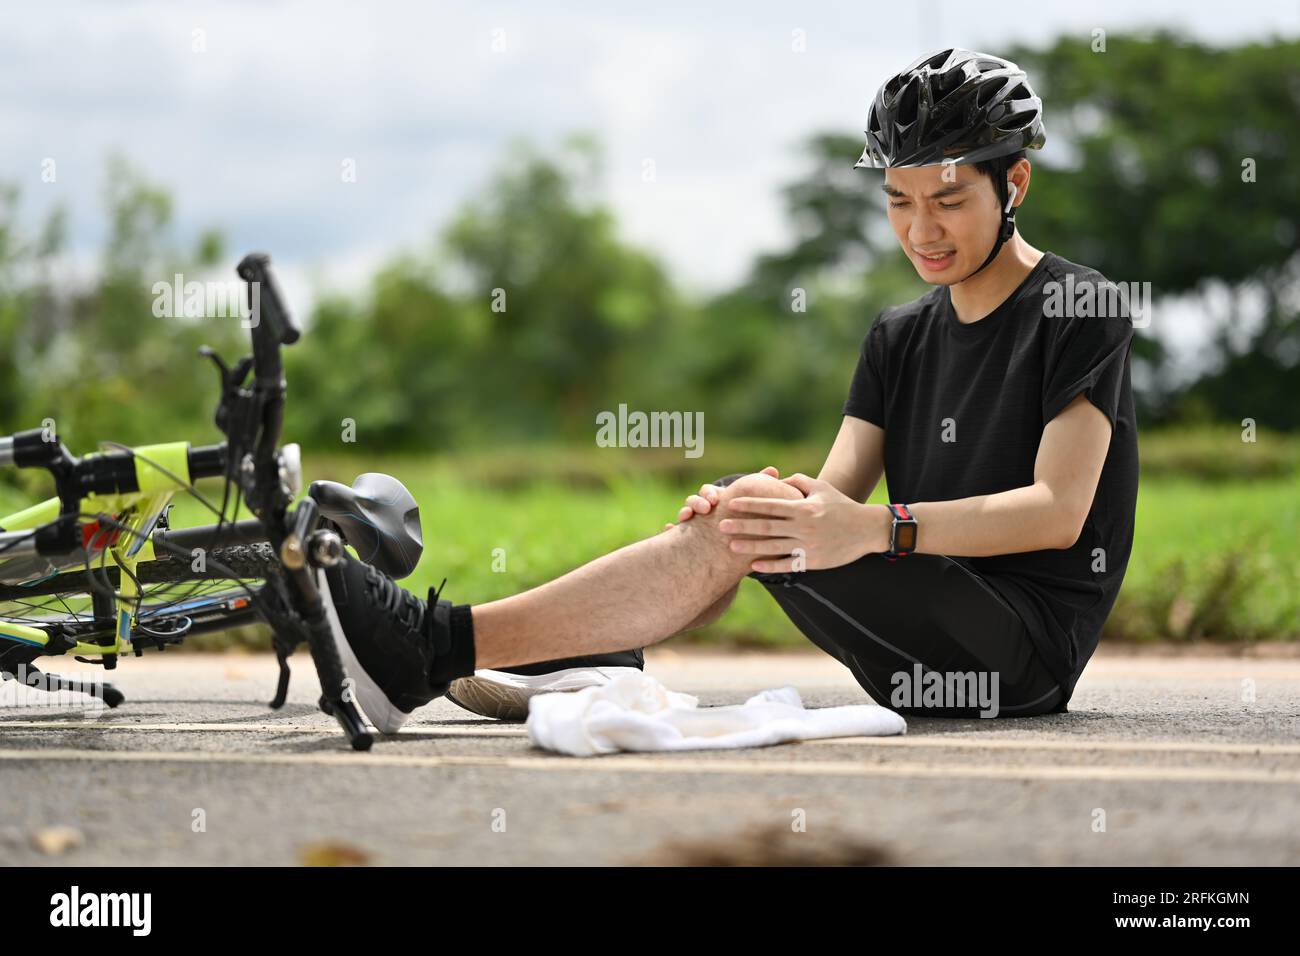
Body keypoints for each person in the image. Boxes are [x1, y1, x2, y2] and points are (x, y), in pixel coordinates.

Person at [325, 48, 1138, 733]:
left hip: (1021, 655)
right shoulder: (900, 333)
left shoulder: (1080, 307)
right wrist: (745, 508)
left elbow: (1057, 511)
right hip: (914, 629)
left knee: (758, 515)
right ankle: (585, 654)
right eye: (899, 200)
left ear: (1016, 184)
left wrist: (874, 530)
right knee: (749, 505)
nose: (922, 230)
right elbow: (831, 498)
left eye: (950, 200)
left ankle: (434, 648)